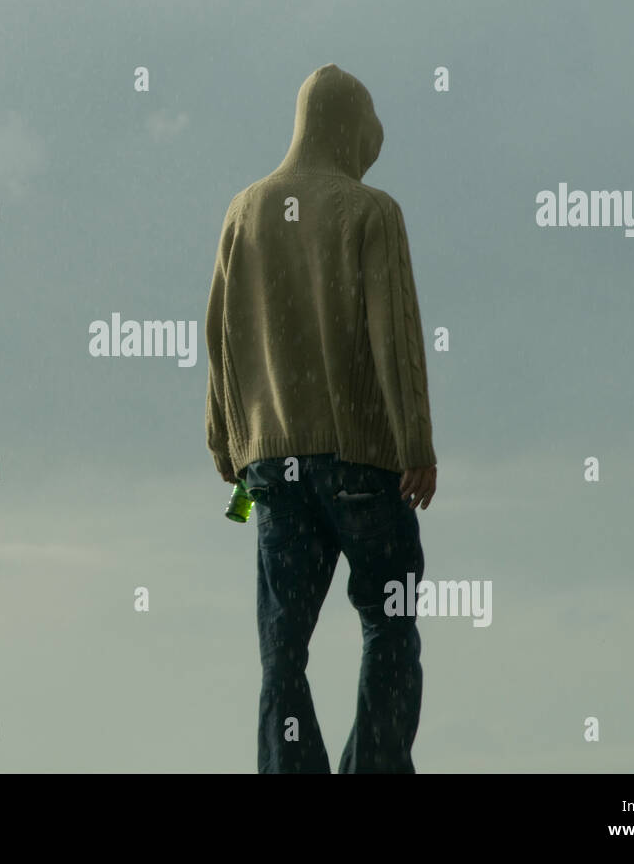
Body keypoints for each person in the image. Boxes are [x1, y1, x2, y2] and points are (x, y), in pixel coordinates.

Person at [204, 63, 438, 773]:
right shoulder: (370, 213)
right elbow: (392, 338)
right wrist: (416, 445)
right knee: (389, 622)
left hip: (271, 466)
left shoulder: (244, 211)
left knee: (283, 648)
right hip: (364, 459)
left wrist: (227, 442)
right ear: (350, 128)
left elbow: (219, 337)